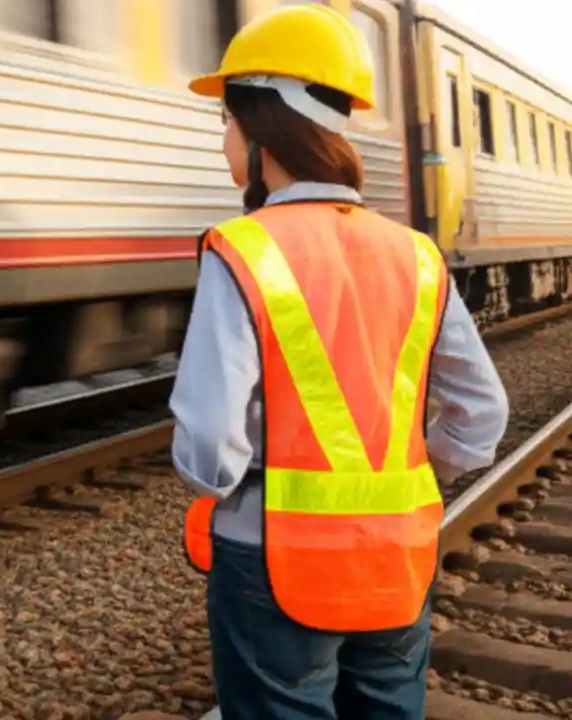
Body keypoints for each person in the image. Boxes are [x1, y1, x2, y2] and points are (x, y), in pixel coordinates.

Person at [168, 4, 509, 719]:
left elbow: (208, 443)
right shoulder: (416, 254)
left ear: (264, 125)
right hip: (397, 555)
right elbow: (482, 414)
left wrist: (229, 485)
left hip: (271, 558)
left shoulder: (244, 248)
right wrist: (406, 477)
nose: (223, 141)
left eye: (226, 122)